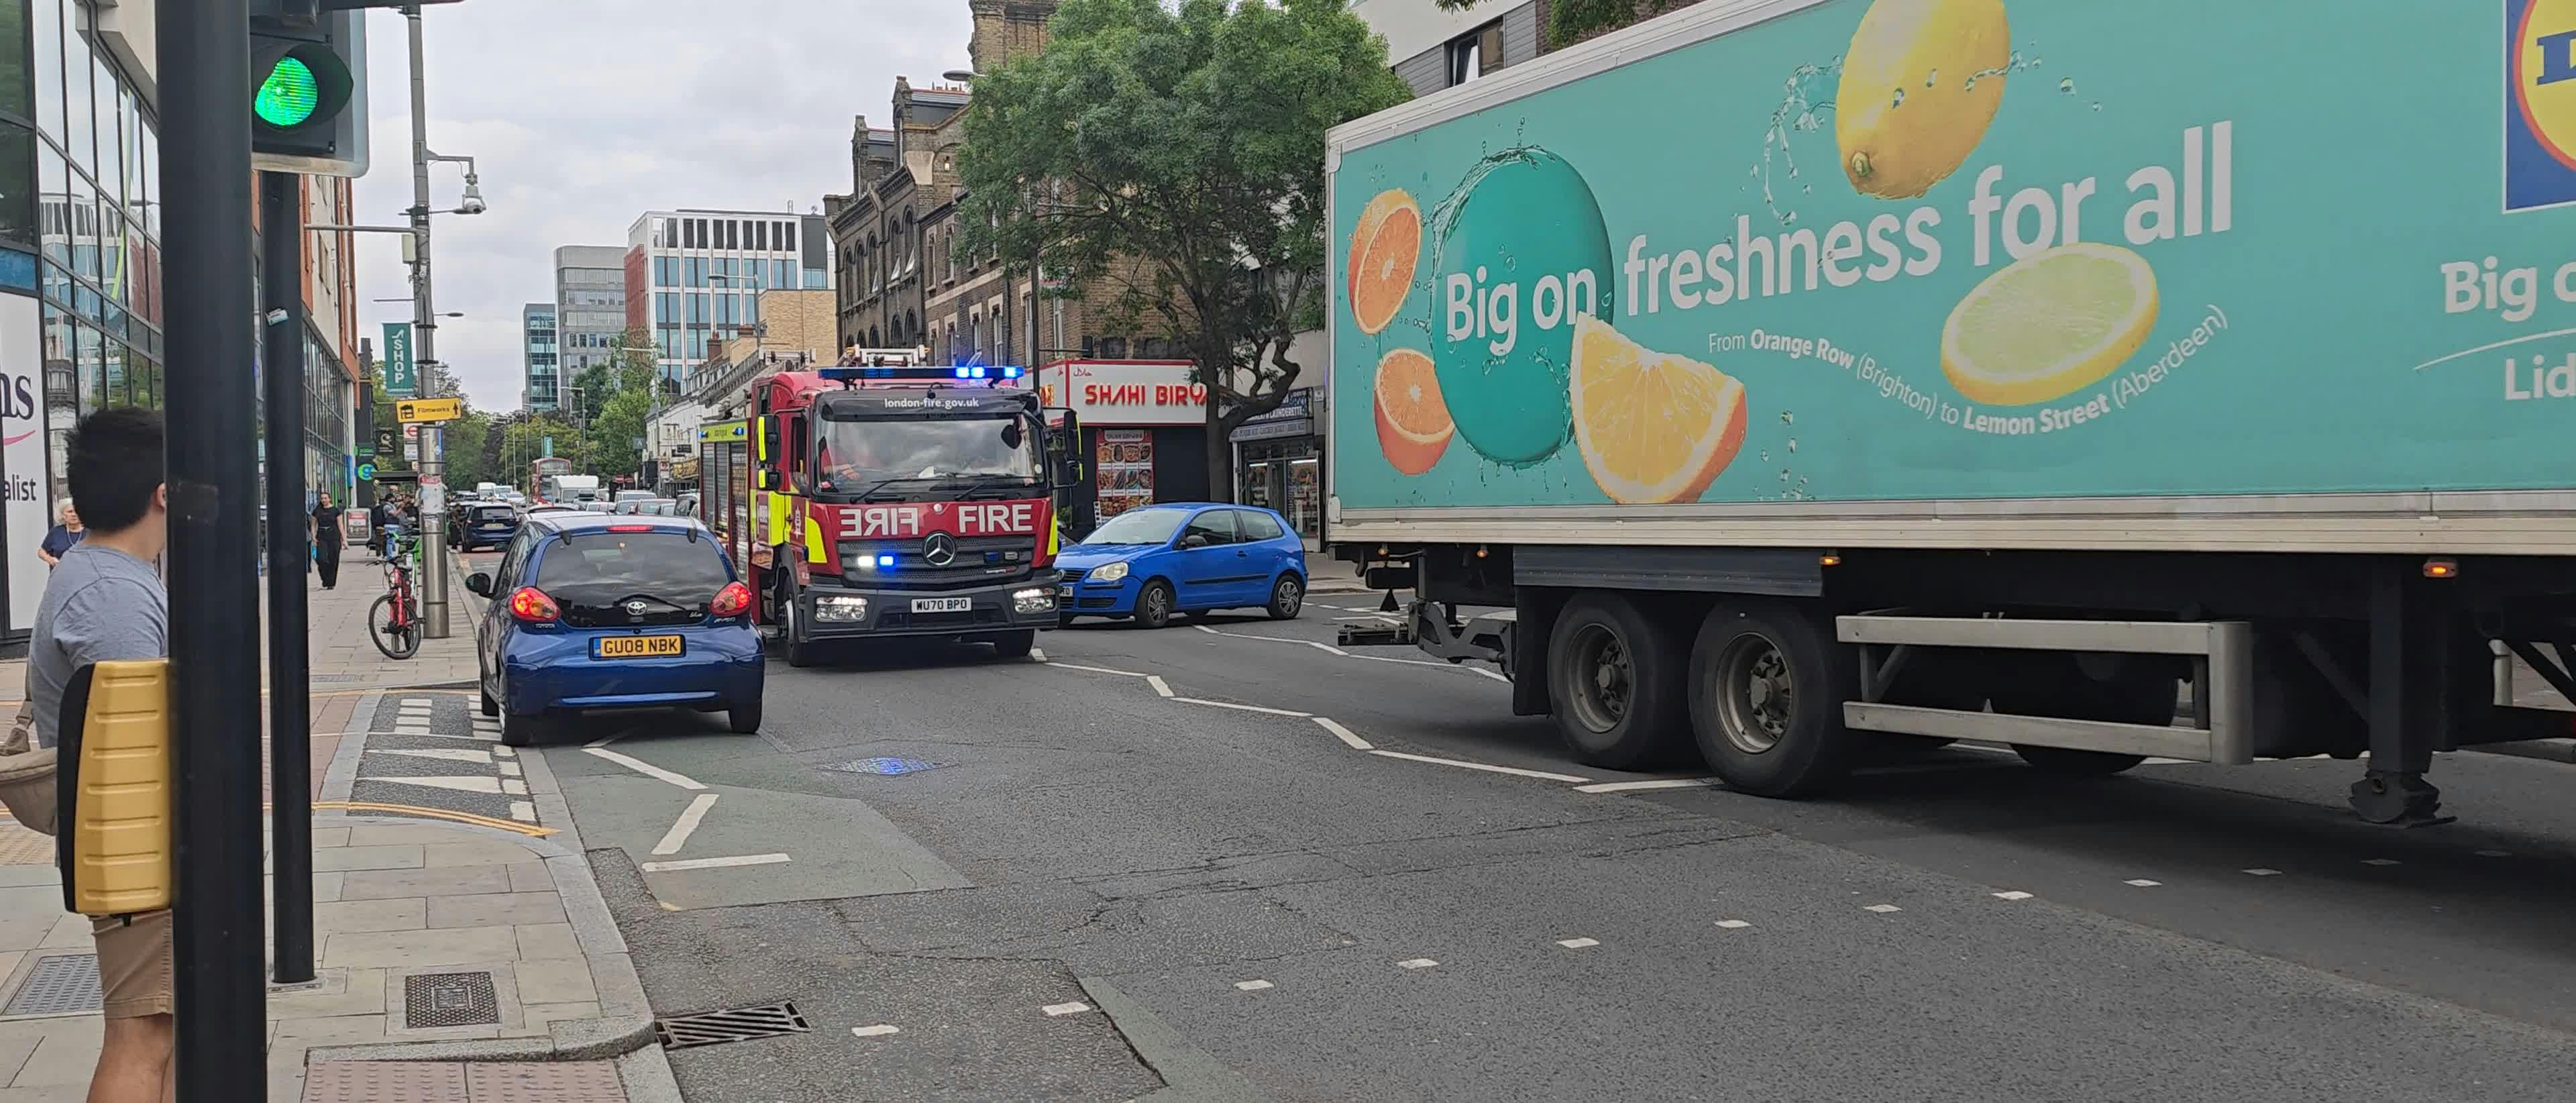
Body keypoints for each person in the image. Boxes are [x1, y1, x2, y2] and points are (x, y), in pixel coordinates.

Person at [24, 409, 170, 1102]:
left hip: (135, 840)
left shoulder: (104, 573)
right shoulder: (112, 592)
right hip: (134, 845)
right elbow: (149, 734)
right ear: (163, 494)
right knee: (143, 1036)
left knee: (164, 1032)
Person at [309, 491, 345, 590]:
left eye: (325, 498)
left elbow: (340, 526)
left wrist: (344, 539)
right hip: (321, 536)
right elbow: (313, 525)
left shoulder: (336, 511)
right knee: (321, 559)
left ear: (329, 499)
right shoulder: (317, 511)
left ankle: (331, 583)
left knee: (334, 560)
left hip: (334, 535)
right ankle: (325, 578)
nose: (324, 500)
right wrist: (313, 537)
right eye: (322, 499)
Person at [36, 498, 82, 568]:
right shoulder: (56, 532)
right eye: (70, 512)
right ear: (63, 515)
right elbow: (41, 552)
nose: (74, 514)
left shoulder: (91, 532)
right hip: (61, 574)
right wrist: (50, 559)